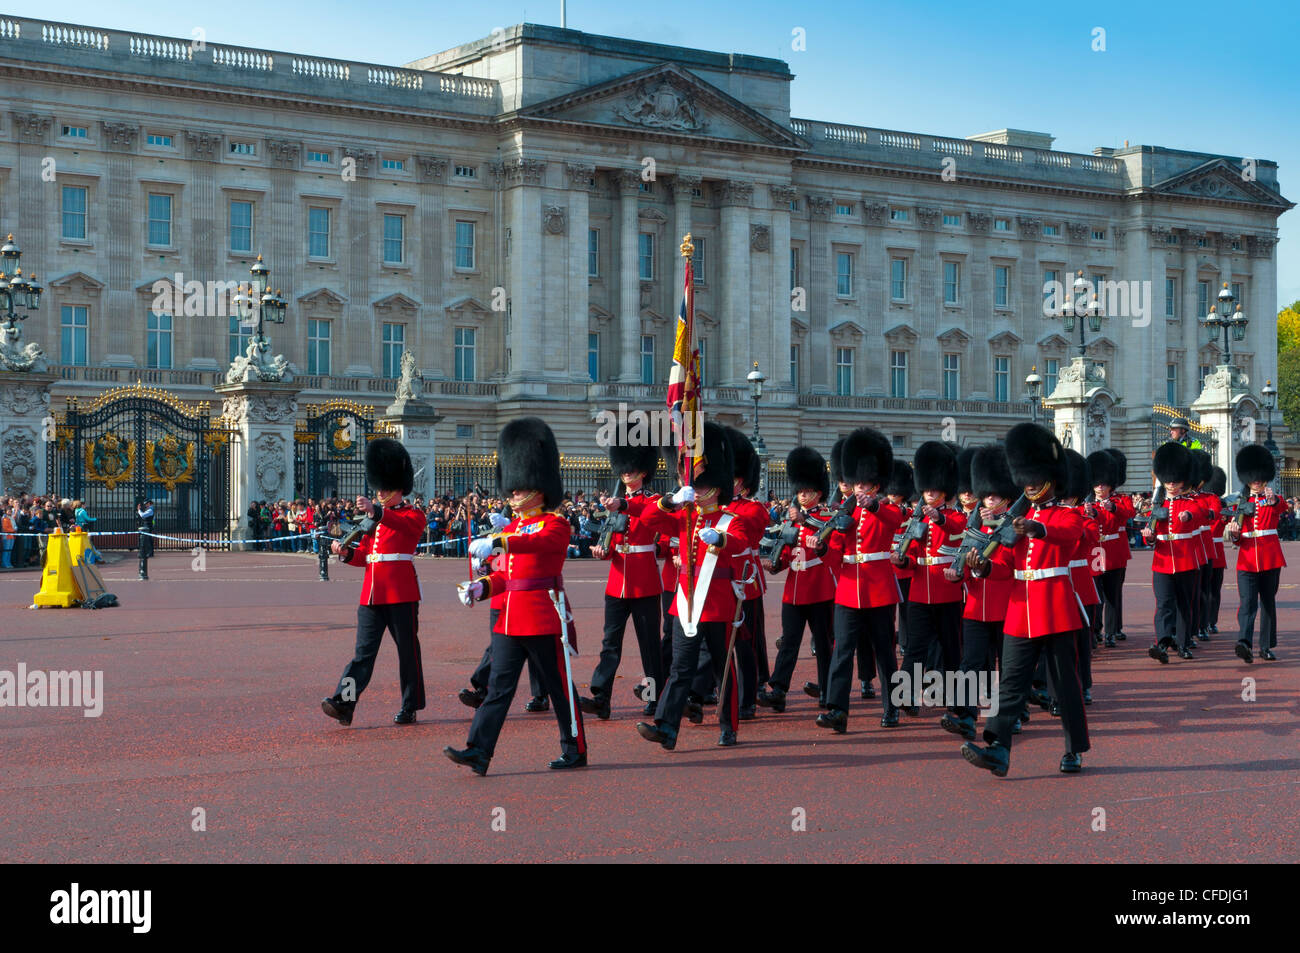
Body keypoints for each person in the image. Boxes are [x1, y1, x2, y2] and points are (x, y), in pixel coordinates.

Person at [446, 418, 587, 775]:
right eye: (512, 488)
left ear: (539, 487)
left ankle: (575, 748)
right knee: (497, 690)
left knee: (558, 688)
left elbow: (535, 545)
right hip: (509, 619)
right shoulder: (513, 526)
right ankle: (478, 750)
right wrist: (481, 587)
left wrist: (498, 540)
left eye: (520, 487)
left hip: (541, 616)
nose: (514, 494)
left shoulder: (555, 523)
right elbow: (505, 575)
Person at [961, 423, 1090, 777]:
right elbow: (1005, 564)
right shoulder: (1017, 519)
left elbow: (1068, 536)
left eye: (1036, 478)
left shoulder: (1066, 514)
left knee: (1064, 683)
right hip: (1020, 610)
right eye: (1026, 479)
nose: (1030, 485)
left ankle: (1074, 748)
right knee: (1011, 682)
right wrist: (983, 567)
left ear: (1051, 479)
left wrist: (1038, 530)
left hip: (1056, 608)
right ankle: (998, 748)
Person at [634, 422, 754, 750]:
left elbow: (740, 540)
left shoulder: (731, 519)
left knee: (721, 669)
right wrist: (669, 501)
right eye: (696, 487)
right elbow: (647, 520)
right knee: (680, 667)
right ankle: (667, 727)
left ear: (717, 488)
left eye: (703, 486)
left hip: (716, 605)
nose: (698, 491)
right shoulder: (685, 516)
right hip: (687, 603)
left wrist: (720, 538)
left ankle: (729, 726)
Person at [320, 438, 427, 727]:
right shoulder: (375, 520)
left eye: (385, 489)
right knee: (362, 656)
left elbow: (403, 527)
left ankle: (410, 705)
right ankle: (344, 703)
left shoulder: (413, 515)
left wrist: (377, 513)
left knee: (407, 652)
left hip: (401, 593)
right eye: (379, 488)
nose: (380, 493)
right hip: (371, 595)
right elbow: (366, 555)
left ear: (399, 489)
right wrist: (346, 554)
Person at [820, 427, 904, 732]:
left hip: (879, 589)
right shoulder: (845, 512)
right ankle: (837, 709)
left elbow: (895, 520)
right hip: (848, 589)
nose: (859, 489)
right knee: (842, 651)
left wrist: (875, 506)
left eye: (865, 484)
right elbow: (835, 557)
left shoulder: (887, 508)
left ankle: (892, 706)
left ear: (876, 485)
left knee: (884, 653)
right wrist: (823, 546)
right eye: (856, 484)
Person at [578, 437, 665, 720]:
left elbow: (663, 536)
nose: (627, 472)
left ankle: (654, 697)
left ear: (644, 471)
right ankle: (601, 698)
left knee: (649, 647)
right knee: (609, 644)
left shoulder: (653, 501)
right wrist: (602, 551)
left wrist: (625, 508)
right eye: (624, 468)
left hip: (644, 583)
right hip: (617, 582)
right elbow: (612, 542)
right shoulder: (615, 504)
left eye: (633, 468)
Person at [939, 444, 1017, 740]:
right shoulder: (976, 526)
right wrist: (954, 575)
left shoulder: (1011, 527)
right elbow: (962, 559)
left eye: (993, 496)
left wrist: (985, 569)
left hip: (1005, 606)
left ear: (1006, 498)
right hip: (974, 607)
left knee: (1005, 666)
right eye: (984, 496)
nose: (986, 501)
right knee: (970, 662)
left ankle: (1011, 714)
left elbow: (1008, 568)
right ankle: (966, 716)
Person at [758, 446, 837, 713]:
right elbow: (787, 552)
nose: (803, 494)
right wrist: (775, 564)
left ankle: (828, 689)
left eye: (808, 491)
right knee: (789, 641)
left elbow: (831, 550)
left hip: (819, 589)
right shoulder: (790, 521)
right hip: (794, 589)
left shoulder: (826, 518)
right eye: (800, 490)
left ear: (818, 493)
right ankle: (778, 689)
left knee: (824, 644)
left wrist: (806, 520)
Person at [893, 441, 967, 714]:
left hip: (946, 590)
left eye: (933, 490)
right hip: (919, 591)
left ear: (944, 491)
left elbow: (957, 530)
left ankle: (957, 699)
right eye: (925, 490)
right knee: (914, 648)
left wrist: (939, 519)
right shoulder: (918, 520)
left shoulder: (955, 517)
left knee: (950, 648)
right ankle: (904, 698)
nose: (928, 495)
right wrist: (904, 560)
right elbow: (912, 553)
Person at [722, 427, 771, 721]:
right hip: (719, 581)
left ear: (743, 482)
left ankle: (749, 697)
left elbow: (753, 523)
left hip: (746, 580)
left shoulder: (752, 508)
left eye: (733, 479)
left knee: (747, 642)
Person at [1143, 442, 1207, 664]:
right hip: (1162, 561)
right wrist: (1148, 536)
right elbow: (1150, 534)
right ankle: (1162, 642)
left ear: (1183, 482)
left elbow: (1198, 514)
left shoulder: (1191, 503)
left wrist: (1188, 516)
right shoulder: (1156, 506)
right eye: (1168, 481)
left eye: (1175, 481)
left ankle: (1182, 643)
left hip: (1185, 560)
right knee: (1163, 604)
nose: (1171, 484)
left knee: (1184, 605)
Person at [1226, 445, 1286, 663]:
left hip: (1270, 558)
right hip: (1247, 559)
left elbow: (1282, 508)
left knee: (1268, 602)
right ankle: (1244, 642)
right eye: (1253, 478)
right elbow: (1237, 537)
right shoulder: (1241, 503)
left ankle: (1266, 646)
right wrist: (1233, 534)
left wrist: (1274, 500)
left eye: (1259, 478)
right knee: (1248, 602)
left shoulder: (1273, 499)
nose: (1256, 481)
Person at [1087, 450, 1133, 647]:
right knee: (1095, 595)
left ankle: (1112, 632)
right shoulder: (1087, 503)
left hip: (1114, 551)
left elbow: (1129, 512)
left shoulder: (1120, 500)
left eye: (1103, 484)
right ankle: (1096, 630)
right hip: (1095, 553)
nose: (1099, 487)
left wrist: (1112, 509)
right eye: (1097, 484)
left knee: (1112, 595)